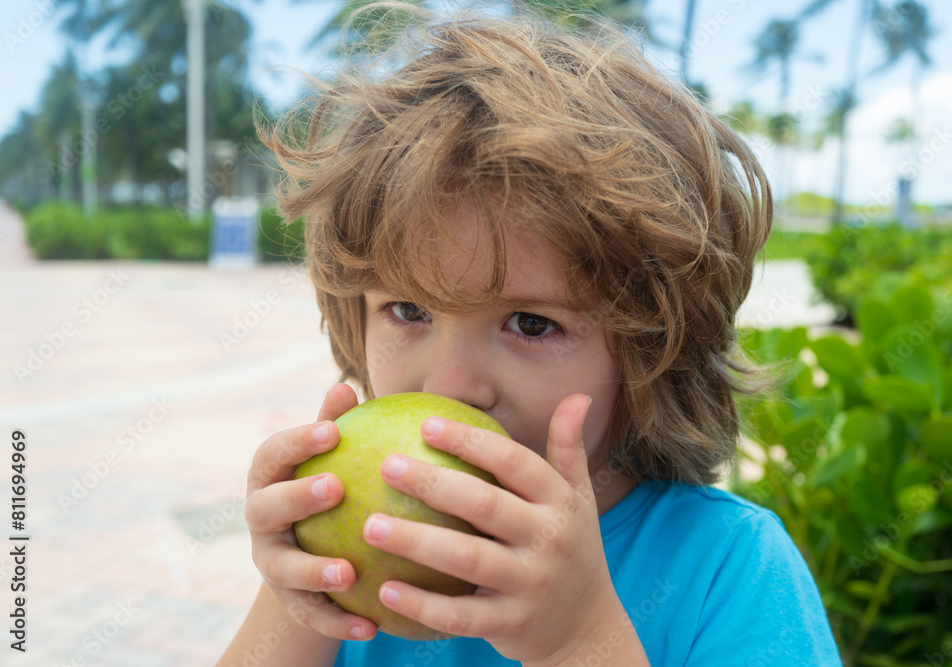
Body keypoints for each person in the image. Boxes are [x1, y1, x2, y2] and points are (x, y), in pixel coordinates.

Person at [219, 7, 842, 667]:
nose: (451, 385)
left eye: (531, 323)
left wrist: (578, 638)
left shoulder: (727, 566)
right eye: (408, 310)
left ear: (651, 352)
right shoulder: (358, 556)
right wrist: (295, 593)